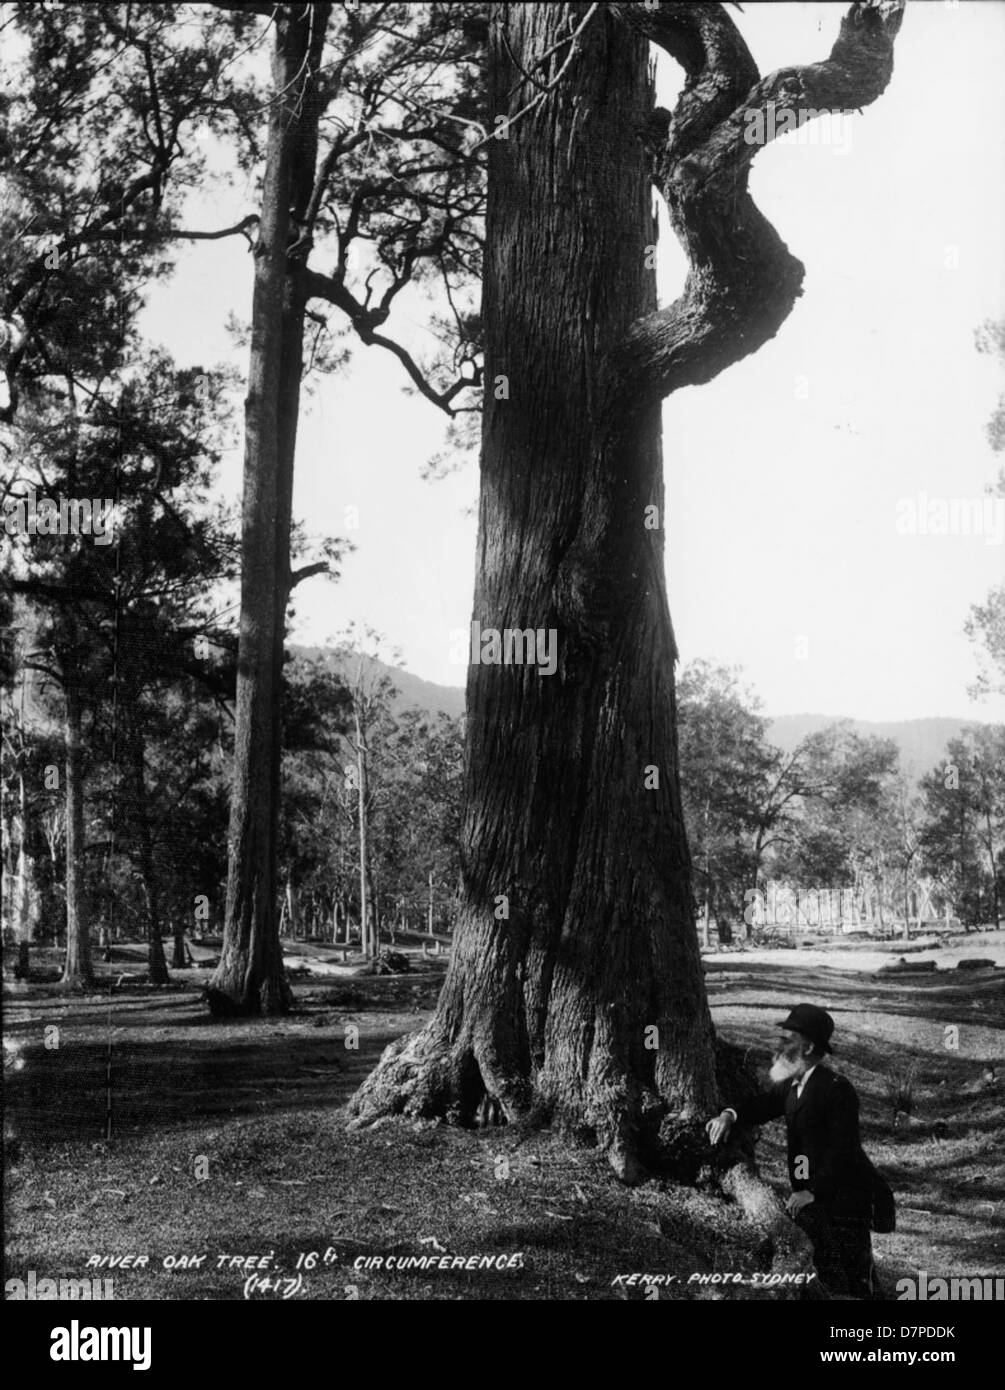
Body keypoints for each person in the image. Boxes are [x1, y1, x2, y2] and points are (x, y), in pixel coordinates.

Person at [707, 1003, 881, 1299]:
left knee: (855, 1281)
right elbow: (762, 1106)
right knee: (825, 1271)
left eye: (788, 1040)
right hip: (812, 1199)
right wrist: (729, 1115)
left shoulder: (837, 1090)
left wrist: (812, 1190)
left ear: (809, 1047)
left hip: (846, 1200)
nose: (779, 1046)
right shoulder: (792, 1085)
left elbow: (845, 1151)